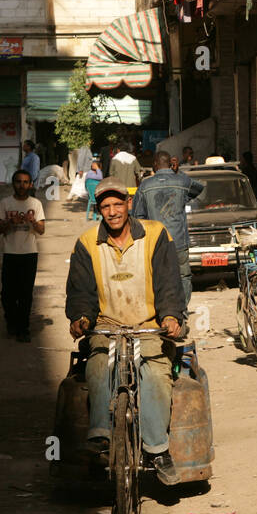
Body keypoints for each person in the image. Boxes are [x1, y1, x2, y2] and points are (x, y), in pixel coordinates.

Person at [66, 177, 187, 486]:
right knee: (97, 364)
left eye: (118, 204)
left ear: (129, 204)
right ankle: (99, 436)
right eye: (105, 206)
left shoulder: (156, 234)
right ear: (99, 210)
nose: (113, 211)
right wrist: (80, 318)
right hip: (106, 326)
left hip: (148, 327)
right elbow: (80, 290)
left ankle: (157, 450)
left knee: (156, 372)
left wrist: (171, 317)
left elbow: (169, 283)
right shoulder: (86, 242)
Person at [133, 151, 205, 306]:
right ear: (170, 164)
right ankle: (182, 311)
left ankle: (162, 310)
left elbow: (137, 217)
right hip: (179, 242)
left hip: (155, 242)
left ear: (155, 164)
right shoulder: (181, 181)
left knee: (157, 277)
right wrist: (178, 172)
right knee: (183, 277)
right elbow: (199, 189)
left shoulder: (145, 185)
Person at [0, 169, 46, 343]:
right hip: (10, 253)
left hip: (29, 253)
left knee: (25, 293)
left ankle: (23, 328)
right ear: (13, 183)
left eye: (25, 182)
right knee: (7, 293)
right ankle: (11, 321)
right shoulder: (5, 203)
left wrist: (32, 221)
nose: (22, 185)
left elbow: (41, 230)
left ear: (30, 184)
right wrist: (10, 222)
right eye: (18, 181)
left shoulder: (36, 204)